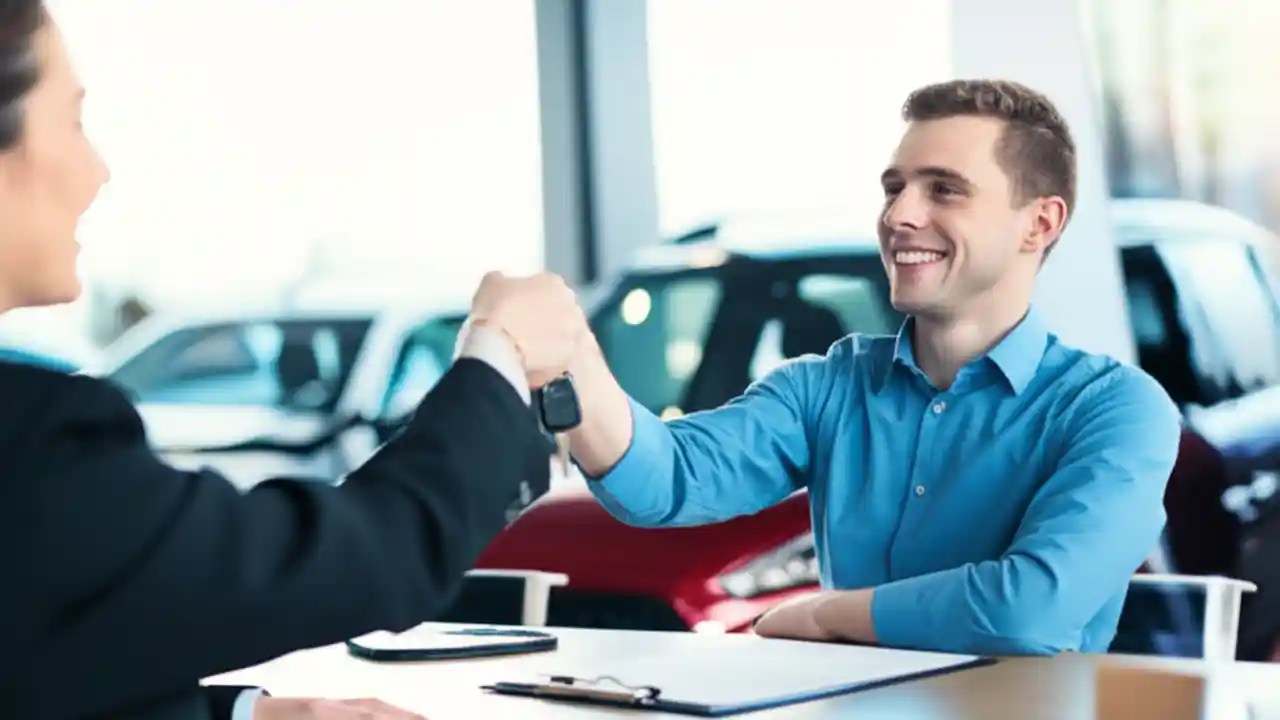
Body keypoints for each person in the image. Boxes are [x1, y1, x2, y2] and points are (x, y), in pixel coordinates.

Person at [0, 3, 589, 718]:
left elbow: (39, 669)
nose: (97, 173)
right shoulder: (29, 441)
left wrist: (252, 714)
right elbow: (368, 552)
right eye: (71, 120)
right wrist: (499, 353)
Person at [561, 79, 1183, 656]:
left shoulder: (1115, 409)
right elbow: (666, 480)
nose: (897, 216)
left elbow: (1029, 611)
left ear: (1039, 224)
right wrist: (569, 358)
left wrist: (825, 615)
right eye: (894, 188)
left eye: (943, 189)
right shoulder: (826, 388)